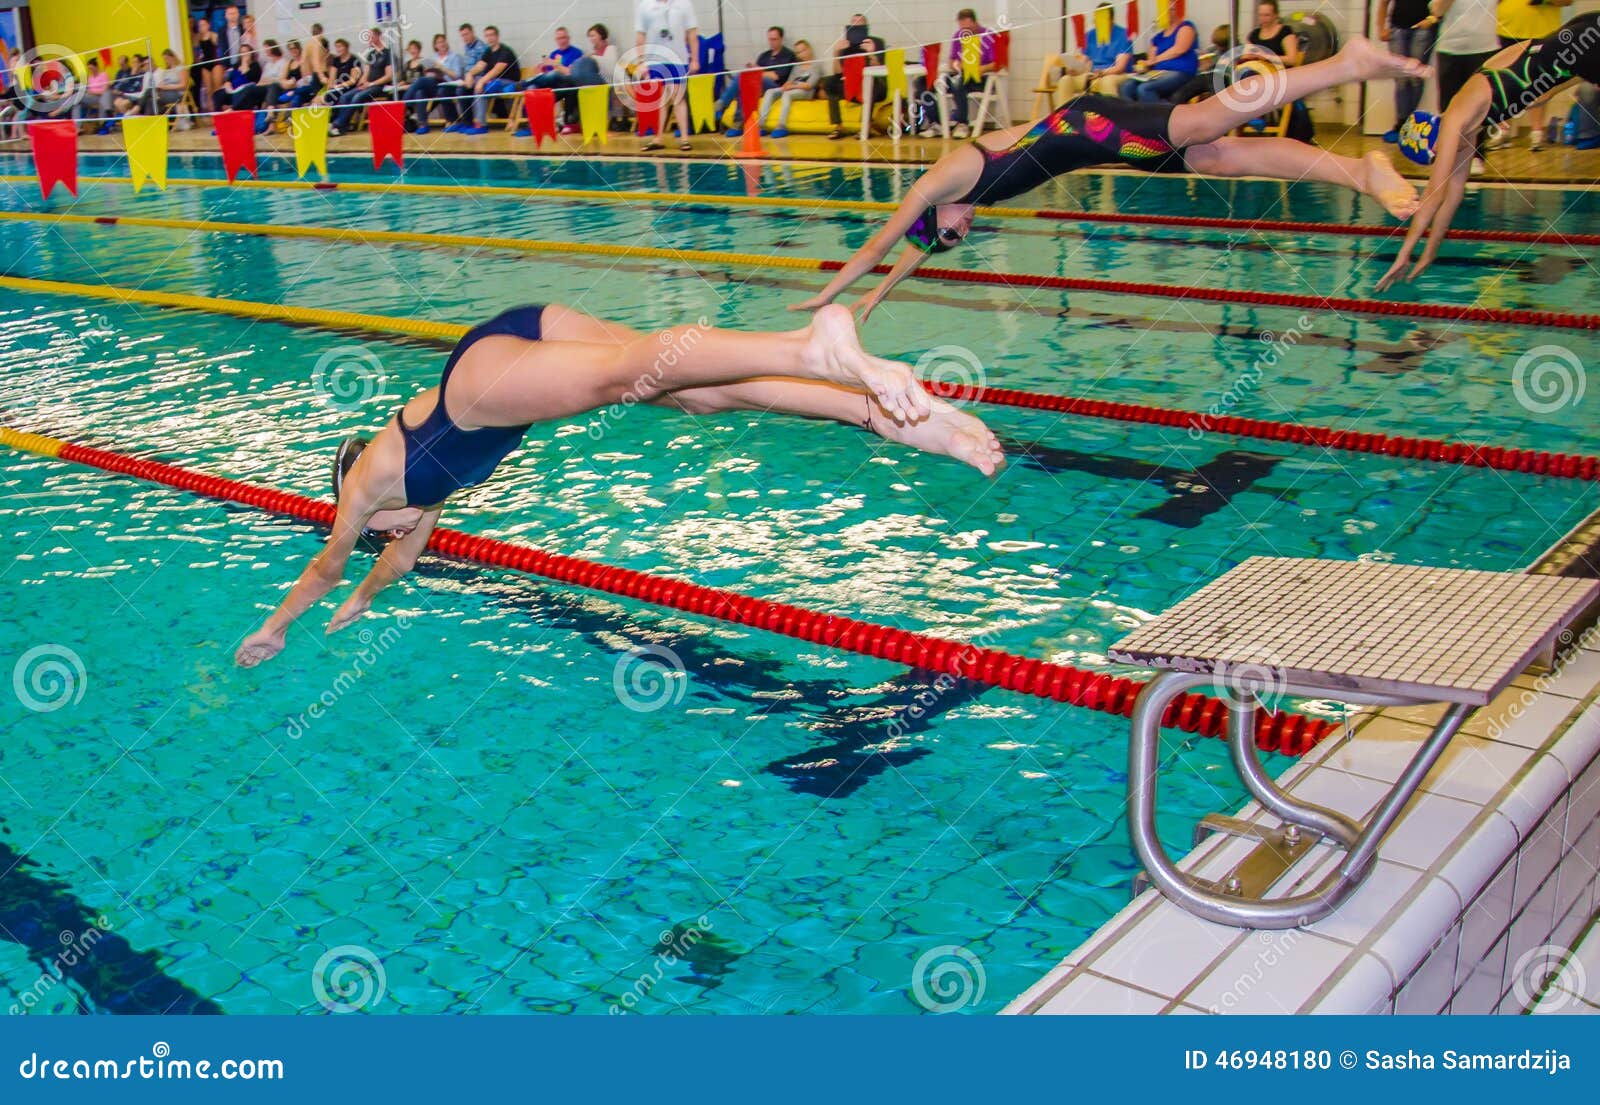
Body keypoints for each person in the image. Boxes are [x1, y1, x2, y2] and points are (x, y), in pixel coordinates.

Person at [232, 303, 1001, 667]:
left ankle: (812, 346)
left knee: (617, 376)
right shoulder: (417, 511)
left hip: (481, 374)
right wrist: (362, 606)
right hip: (528, 341)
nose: (394, 544)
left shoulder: (368, 486)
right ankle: (883, 412)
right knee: (692, 393)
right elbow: (389, 566)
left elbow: (329, 562)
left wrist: (279, 626)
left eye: (378, 538)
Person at [793, 37, 1429, 320]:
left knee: (1206, 126)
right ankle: (1358, 170)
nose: (966, 230)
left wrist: (831, 293)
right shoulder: (960, 205)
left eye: (954, 235)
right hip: (1100, 147)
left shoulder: (943, 180)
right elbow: (913, 255)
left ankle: (1346, 65)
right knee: (1222, 159)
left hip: (1092, 122)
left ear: (940, 217)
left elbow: (882, 245)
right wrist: (877, 298)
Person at [1377, 11, 1600, 290]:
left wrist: (1404, 253)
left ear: (1432, 140)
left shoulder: (1456, 120)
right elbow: (1452, 196)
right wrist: (1429, 254)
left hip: (1584, 45)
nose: (1442, 159)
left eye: (1436, 156)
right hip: (1579, 40)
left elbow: (1434, 196)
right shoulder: (1468, 123)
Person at [1434, 0, 1501, 173]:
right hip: (1450, 48)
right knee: (1449, 106)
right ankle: (1448, 155)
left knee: (1481, 107)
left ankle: (1477, 155)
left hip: (1484, 47)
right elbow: (1436, 10)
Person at [1496, 0, 1573, 148]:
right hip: (1504, 28)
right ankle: (1502, 132)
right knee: (1503, 81)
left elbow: (1567, 1)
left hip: (1542, 31)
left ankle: (1536, 134)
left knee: (1538, 82)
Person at [634, 0, 701, 151]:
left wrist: (695, 59)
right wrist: (641, 61)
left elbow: (692, 33)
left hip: (678, 58)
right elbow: (640, 36)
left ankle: (684, 138)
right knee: (660, 97)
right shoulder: (645, 5)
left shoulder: (684, 4)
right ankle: (658, 138)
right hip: (655, 58)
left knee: (677, 95)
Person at [713, 26, 796, 135]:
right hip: (759, 84)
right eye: (769, 39)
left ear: (781, 39)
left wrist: (758, 71)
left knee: (745, 77)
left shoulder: (788, 55)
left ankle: (723, 103)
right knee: (743, 82)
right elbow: (759, 73)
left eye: (774, 39)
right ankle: (738, 123)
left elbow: (776, 76)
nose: (771, 42)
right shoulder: (764, 55)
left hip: (775, 86)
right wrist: (753, 68)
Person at [822, 14, 887, 140]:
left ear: (866, 28)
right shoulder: (845, 46)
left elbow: (881, 69)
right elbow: (838, 73)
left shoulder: (876, 42)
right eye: (853, 24)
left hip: (874, 86)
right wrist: (836, 53)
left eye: (859, 24)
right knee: (829, 82)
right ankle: (839, 126)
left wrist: (871, 53)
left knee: (871, 85)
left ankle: (866, 127)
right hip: (852, 86)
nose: (856, 26)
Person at [1121, 0, 1200, 102]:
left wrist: (1154, 60)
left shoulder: (1186, 27)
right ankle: (1133, 116)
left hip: (1181, 71)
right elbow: (1151, 60)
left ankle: (1158, 117)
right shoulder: (1157, 37)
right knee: (1127, 87)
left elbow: (1179, 49)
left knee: (1145, 88)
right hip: (1158, 73)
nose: (1169, 11)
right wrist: (1144, 66)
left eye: (1172, 8)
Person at [1382, 0, 1437, 142]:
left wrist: (1432, 19)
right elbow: (1384, 2)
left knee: (1415, 77)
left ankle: (1410, 124)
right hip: (1397, 28)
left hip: (1422, 29)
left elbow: (1442, 4)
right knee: (1401, 77)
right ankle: (1401, 123)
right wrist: (1381, 27)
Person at [941, 9, 997, 139]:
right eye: (962, 28)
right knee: (925, 83)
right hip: (962, 74)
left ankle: (962, 123)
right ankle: (937, 123)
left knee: (958, 83)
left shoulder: (988, 36)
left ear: (975, 22)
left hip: (982, 78)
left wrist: (981, 68)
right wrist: (956, 66)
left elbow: (996, 63)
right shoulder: (959, 35)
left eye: (967, 27)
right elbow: (952, 60)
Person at [451, 24, 517, 134]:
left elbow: (497, 70)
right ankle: (467, 122)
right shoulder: (488, 51)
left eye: (491, 35)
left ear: (497, 36)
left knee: (481, 88)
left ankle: (481, 125)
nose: (489, 38)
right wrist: (469, 74)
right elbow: (480, 66)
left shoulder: (505, 51)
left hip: (508, 82)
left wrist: (481, 81)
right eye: (487, 36)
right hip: (493, 81)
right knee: (463, 88)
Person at [1059, 3, 1134, 100]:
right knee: (1065, 80)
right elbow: (1083, 61)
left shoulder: (1124, 35)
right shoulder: (1090, 35)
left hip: (1117, 74)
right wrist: (1074, 69)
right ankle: (1063, 114)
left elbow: (1119, 67)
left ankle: (1111, 114)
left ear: (1111, 19)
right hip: (1094, 74)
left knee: (1106, 82)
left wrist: (1102, 72)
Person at [330, 28, 393, 135]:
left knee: (357, 97)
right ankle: (343, 127)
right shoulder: (371, 54)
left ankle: (337, 124)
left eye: (372, 37)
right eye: (369, 38)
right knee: (344, 97)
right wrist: (362, 83)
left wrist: (372, 83)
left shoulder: (387, 53)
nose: (370, 40)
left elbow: (389, 76)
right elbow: (366, 73)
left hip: (380, 86)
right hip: (368, 85)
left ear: (379, 37)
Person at [759, 39, 820, 138]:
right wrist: (786, 86)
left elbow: (809, 85)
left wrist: (792, 87)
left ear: (809, 49)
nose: (802, 54)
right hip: (793, 88)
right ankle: (761, 124)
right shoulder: (798, 66)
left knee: (787, 94)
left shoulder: (816, 65)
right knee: (770, 91)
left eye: (803, 50)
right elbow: (790, 80)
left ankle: (781, 125)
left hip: (805, 92)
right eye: (799, 52)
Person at [408, 33, 465, 131]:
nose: (441, 44)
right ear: (435, 46)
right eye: (438, 42)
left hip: (449, 84)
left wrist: (442, 68)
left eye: (443, 41)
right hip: (435, 84)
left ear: (446, 43)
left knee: (427, 84)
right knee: (420, 92)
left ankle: (406, 101)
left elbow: (457, 76)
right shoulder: (433, 58)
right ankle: (423, 124)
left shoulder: (455, 57)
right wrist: (431, 73)